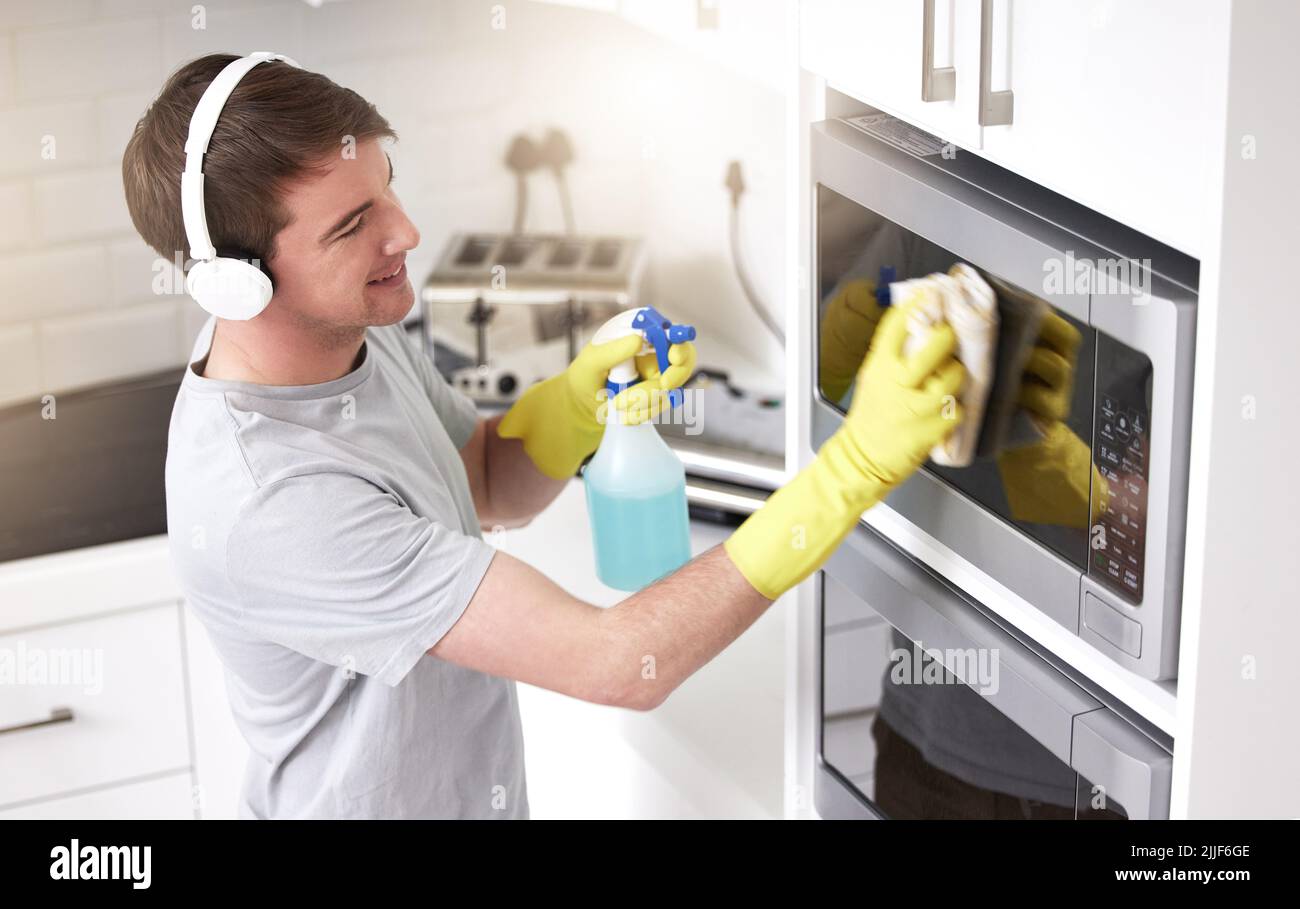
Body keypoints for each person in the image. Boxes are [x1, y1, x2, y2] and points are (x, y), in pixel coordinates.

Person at [122, 53, 964, 819]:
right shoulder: (275, 500)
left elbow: (481, 481)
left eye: (388, 186)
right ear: (237, 285)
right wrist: (849, 467)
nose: (404, 232)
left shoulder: (345, 331)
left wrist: (580, 400)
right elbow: (617, 662)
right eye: (352, 225)